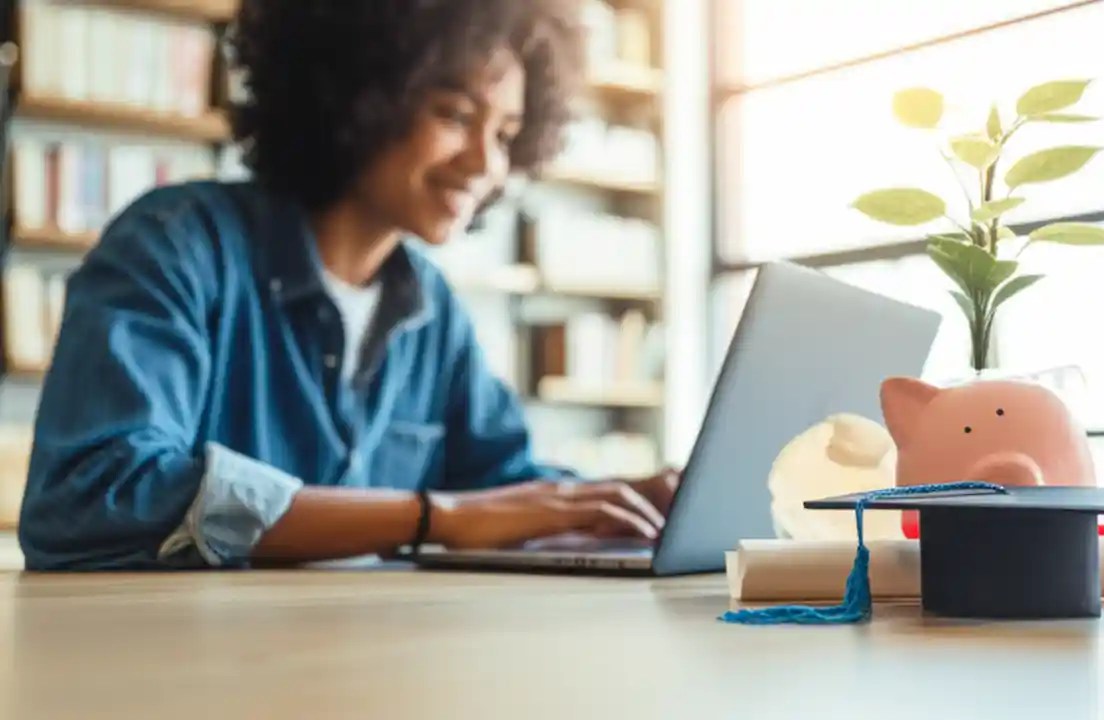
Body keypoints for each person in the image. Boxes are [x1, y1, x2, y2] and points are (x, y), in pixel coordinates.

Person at [18, 0, 677, 570]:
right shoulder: (176, 244)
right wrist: (432, 517)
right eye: (454, 114)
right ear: (359, 94)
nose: (486, 163)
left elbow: (504, 487)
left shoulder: (429, 308)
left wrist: (633, 498)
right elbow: (95, 495)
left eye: (505, 134)